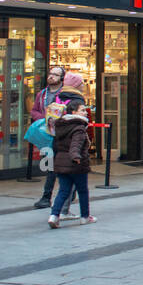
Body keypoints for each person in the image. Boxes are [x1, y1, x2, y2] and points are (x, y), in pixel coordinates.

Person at [47, 98, 96, 228]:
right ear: (74, 112)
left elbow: (58, 145)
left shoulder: (61, 126)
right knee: (82, 191)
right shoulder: (79, 128)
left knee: (63, 191)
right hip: (76, 164)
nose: (86, 113)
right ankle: (85, 217)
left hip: (61, 162)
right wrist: (76, 156)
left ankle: (54, 215)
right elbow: (76, 144)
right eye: (82, 110)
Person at [31, 65, 66, 209]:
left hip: (62, 135)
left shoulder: (65, 94)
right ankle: (46, 197)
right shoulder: (42, 94)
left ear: (61, 78)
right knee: (49, 166)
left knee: (62, 166)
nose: (51, 76)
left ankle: (68, 191)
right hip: (46, 135)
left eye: (56, 75)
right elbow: (34, 111)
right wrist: (43, 118)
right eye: (51, 74)